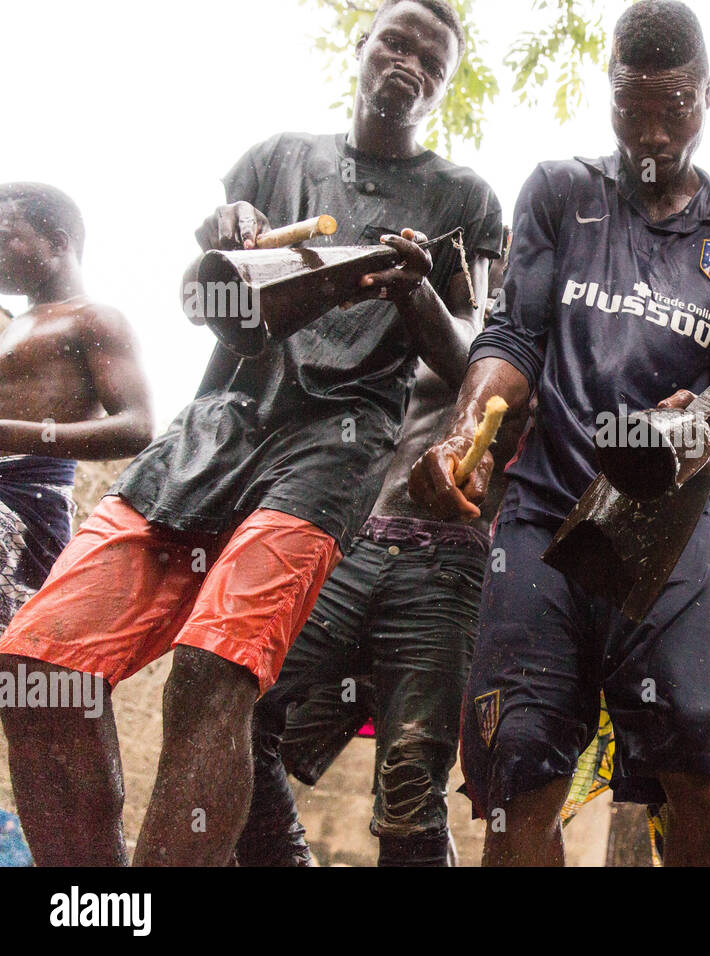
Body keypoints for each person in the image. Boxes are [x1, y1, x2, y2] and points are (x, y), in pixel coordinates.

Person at [0, 0, 501, 866]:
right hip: (213, 431)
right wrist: (223, 245)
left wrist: (414, 288)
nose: (408, 62)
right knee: (36, 665)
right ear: (363, 47)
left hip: (335, 449)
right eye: (395, 40)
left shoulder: (465, 198)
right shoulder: (278, 159)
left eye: (431, 58)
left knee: (213, 668)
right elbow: (220, 308)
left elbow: (469, 358)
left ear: (442, 88)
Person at [409, 0, 710, 867]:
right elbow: (511, 337)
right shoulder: (558, 192)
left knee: (697, 739)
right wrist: (469, 431)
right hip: (542, 516)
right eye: (632, 107)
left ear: (708, 97)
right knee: (523, 760)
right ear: (608, 91)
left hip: (669, 519)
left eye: (674, 109)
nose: (652, 134)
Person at [236, 245, 516, 869]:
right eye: (497, 257)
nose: (500, 271)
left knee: (411, 785)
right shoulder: (418, 335)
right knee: (236, 714)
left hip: (449, 571)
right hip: (356, 546)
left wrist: (429, 299)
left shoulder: (527, 353)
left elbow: (477, 367)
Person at [0, 183, 153, 632]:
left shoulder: (93, 317)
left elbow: (138, 426)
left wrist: (10, 433)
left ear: (58, 243)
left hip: (26, 501)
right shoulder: (12, 326)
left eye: (6, 236)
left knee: (27, 669)